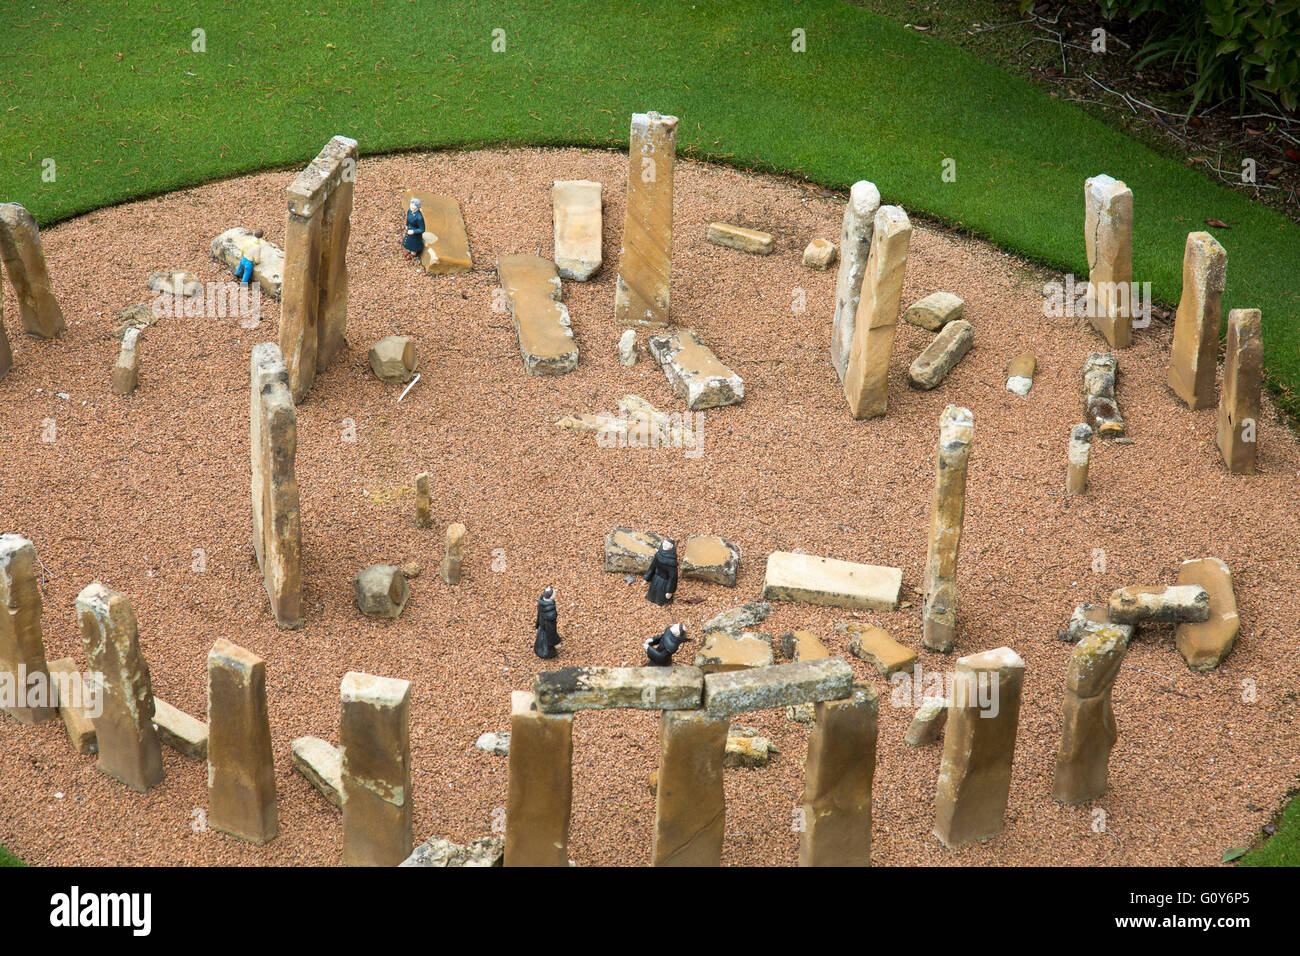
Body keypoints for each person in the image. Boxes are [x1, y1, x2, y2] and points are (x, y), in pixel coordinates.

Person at [643, 538, 678, 606]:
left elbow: (673, 578)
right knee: (652, 592)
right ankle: (651, 598)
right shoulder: (658, 554)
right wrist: (646, 578)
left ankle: (661, 602)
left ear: (671, 547)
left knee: (661, 595)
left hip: (664, 582)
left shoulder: (672, 562)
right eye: (664, 543)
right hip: (656, 578)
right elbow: (652, 566)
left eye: (667, 544)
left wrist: (670, 591)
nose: (665, 545)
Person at [534, 586, 560, 659]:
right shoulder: (550, 612)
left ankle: (540, 650)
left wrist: (537, 625)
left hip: (542, 627)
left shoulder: (542, 604)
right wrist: (556, 642)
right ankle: (547, 653)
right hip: (545, 629)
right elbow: (551, 629)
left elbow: (539, 615)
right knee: (546, 641)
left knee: (541, 639)